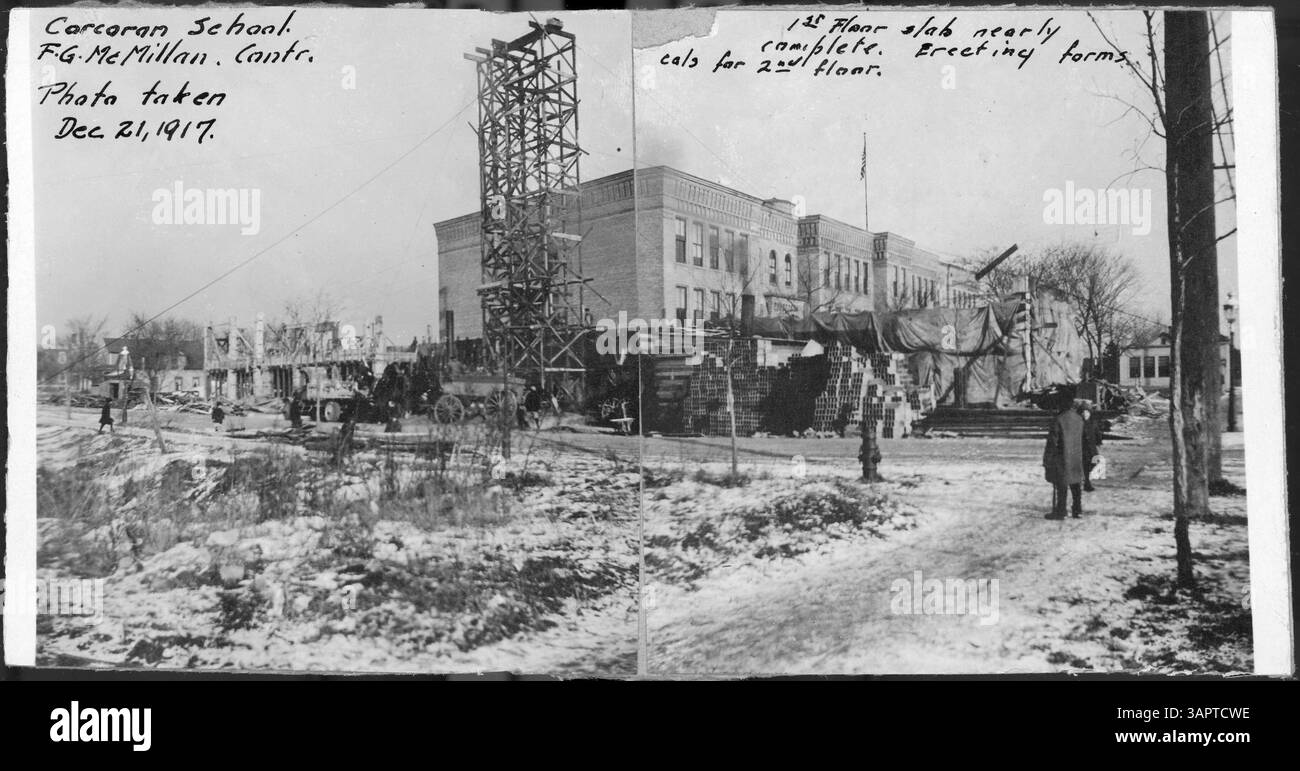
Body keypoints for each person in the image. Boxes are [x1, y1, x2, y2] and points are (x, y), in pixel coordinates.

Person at [1043, 397, 1085, 519]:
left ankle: (1061, 511)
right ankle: (1077, 510)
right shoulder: (1079, 419)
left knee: (1061, 484)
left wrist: (1047, 460)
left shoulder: (1059, 419)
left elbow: (1052, 442)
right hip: (1076, 456)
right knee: (1076, 484)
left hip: (1062, 456)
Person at [1080, 402, 1102, 492]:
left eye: (1087, 412)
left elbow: (1097, 433)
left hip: (1092, 449)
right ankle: (1087, 483)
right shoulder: (1079, 424)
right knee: (1085, 465)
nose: (1085, 414)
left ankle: (1086, 480)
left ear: (1090, 413)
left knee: (1094, 463)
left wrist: (1099, 442)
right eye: (1083, 412)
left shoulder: (1093, 423)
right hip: (1083, 449)